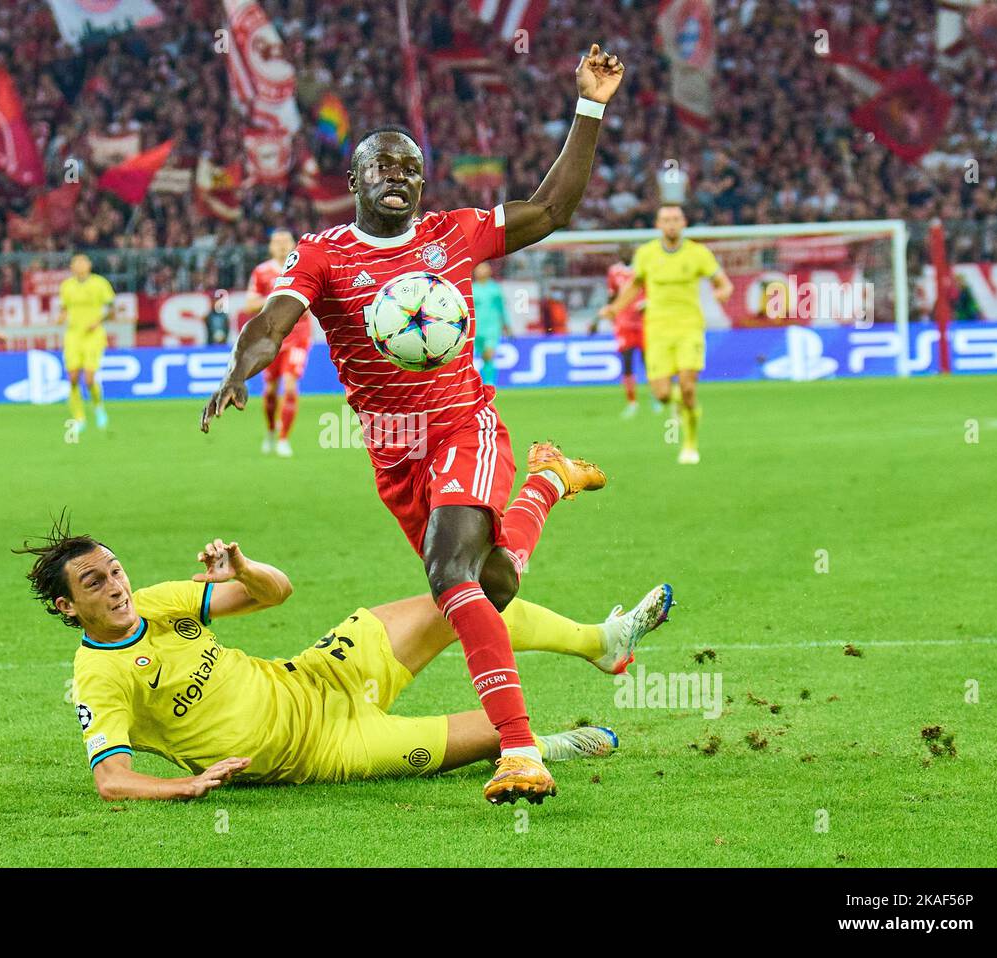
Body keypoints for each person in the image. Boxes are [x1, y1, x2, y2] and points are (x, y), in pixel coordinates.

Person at [201, 44, 625, 804]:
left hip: (466, 426)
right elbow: (275, 320)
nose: (396, 177)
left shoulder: (453, 234)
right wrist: (241, 367)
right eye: (380, 167)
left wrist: (589, 106)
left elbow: (553, 210)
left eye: (408, 169)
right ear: (355, 180)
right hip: (395, 456)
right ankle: (546, 487)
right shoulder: (324, 255)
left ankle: (521, 751)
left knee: (450, 574)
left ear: (421, 183)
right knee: (484, 587)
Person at [15, 517, 673, 802]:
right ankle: (546, 746)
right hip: (321, 752)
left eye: (115, 570)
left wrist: (241, 566)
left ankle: (603, 643)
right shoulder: (97, 676)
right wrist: (184, 785)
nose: (116, 587)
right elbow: (112, 779)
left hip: (319, 673)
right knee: (495, 731)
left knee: (459, 598)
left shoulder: (162, 602)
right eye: (94, 584)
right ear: (68, 608)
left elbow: (276, 593)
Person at [601, 205, 733, 464]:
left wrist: (724, 292)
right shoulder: (646, 254)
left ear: (684, 223)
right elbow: (634, 285)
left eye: (675, 219)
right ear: (658, 225)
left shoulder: (698, 253)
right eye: (666, 220)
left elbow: (723, 283)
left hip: (689, 328)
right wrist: (615, 308)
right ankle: (679, 401)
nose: (671, 224)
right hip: (657, 330)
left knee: (687, 386)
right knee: (661, 394)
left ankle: (690, 443)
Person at [244, 229, 312, 458]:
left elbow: (312, 301)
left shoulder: (303, 268)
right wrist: (276, 298)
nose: (282, 245)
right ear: (271, 246)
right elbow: (250, 303)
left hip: (298, 338)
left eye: (286, 241)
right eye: (277, 242)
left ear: (293, 244)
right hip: (270, 339)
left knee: (291, 386)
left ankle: (284, 438)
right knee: (270, 390)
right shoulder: (262, 271)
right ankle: (271, 430)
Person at [58, 254, 115, 431]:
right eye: (76, 263)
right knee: (73, 378)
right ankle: (79, 418)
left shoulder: (100, 283)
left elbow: (112, 310)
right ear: (72, 267)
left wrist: (98, 321)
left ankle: (98, 408)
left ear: (89, 265)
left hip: (93, 336)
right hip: (73, 336)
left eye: (83, 262)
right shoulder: (66, 286)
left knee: (89, 379)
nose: (80, 266)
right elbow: (64, 309)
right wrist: (61, 318)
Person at [603, 261, 646, 417]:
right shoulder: (614, 271)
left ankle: (657, 399)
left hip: (644, 322)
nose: (625, 251)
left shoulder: (643, 268)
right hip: (624, 323)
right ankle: (632, 402)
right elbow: (611, 295)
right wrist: (610, 313)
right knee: (627, 363)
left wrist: (647, 303)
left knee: (649, 362)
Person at [471, 261, 510, 387]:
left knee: (488, 355)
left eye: (483, 269)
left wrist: (507, 324)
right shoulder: (471, 288)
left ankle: (489, 383)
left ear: (489, 272)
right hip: (475, 328)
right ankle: (473, 384)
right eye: (478, 269)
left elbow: (502, 308)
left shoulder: (495, 289)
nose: (480, 272)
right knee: (472, 357)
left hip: (491, 328)